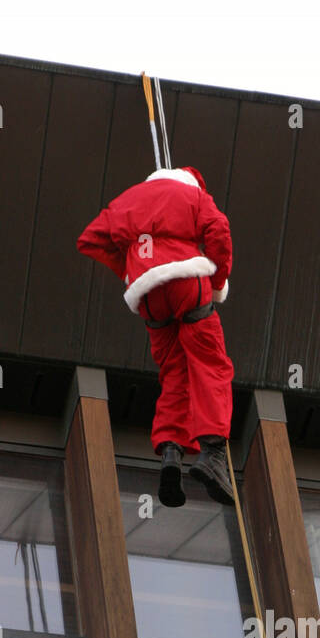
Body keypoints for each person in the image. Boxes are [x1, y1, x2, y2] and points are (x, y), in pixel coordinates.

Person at [77, 166, 234, 508]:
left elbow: (89, 239)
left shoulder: (126, 200)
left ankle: (171, 454)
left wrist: (132, 270)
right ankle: (213, 454)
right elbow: (219, 230)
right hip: (186, 282)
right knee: (210, 365)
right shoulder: (194, 195)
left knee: (174, 373)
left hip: (148, 297)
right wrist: (218, 280)